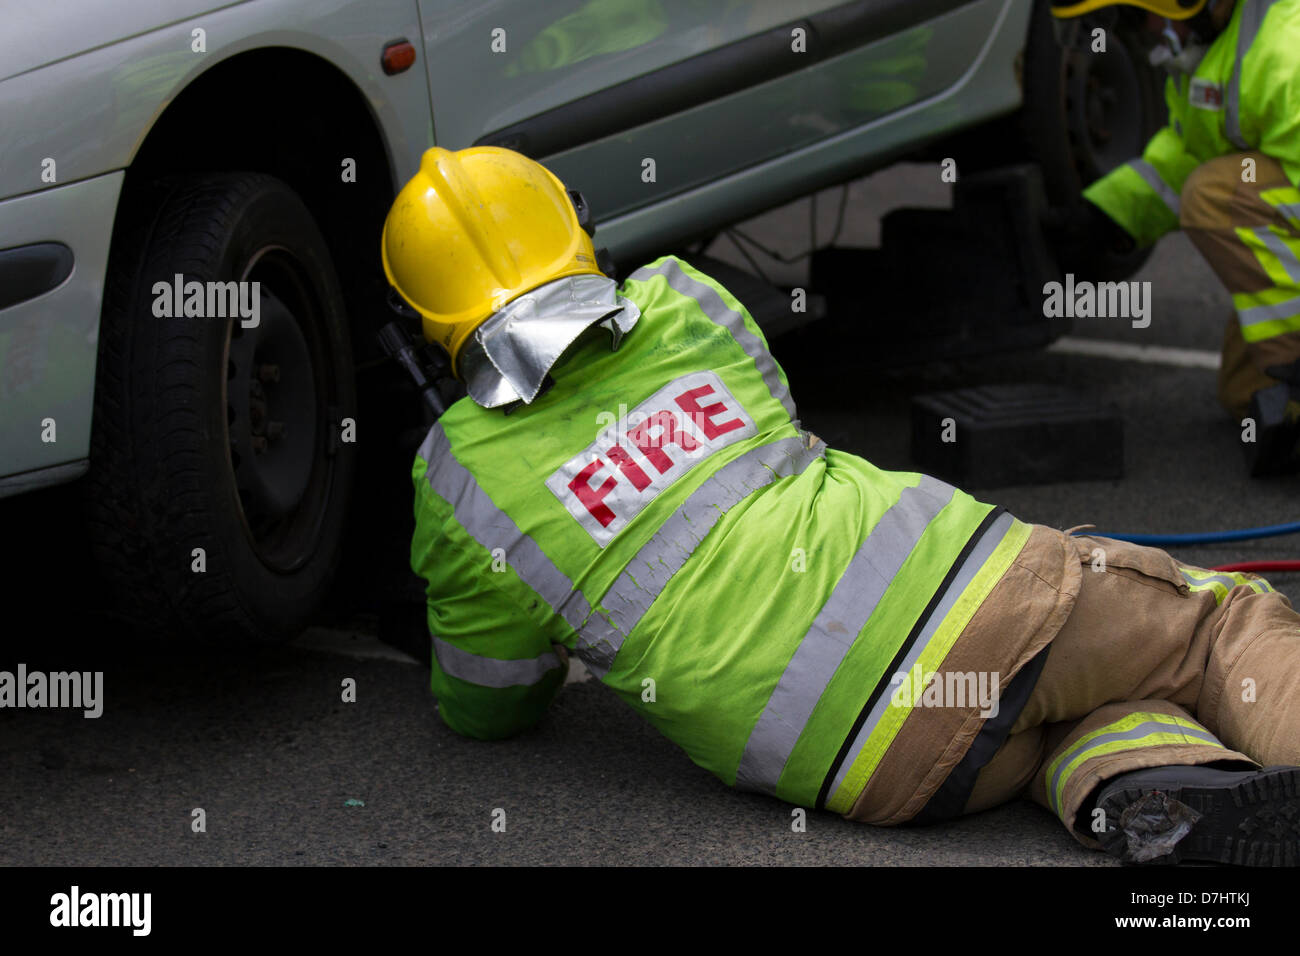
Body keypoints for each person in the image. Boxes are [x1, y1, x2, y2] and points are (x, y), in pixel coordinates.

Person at [382, 145, 1300, 865]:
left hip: (874, 772)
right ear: (572, 230)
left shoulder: (456, 477)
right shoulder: (681, 300)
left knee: (1047, 713)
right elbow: (776, 414)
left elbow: (489, 702)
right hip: (976, 605)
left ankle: (1165, 792)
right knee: (1214, 629)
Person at [1051, 0, 1300, 474]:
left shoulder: (1288, 53)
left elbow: (1209, 185)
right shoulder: (1213, 45)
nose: (1146, 26)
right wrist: (1109, 213)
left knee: (1213, 196)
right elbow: (1188, 157)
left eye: (1151, 12)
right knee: (1241, 393)